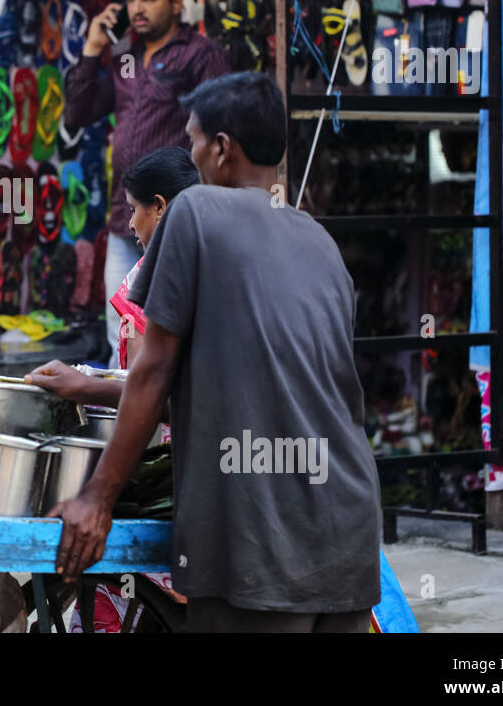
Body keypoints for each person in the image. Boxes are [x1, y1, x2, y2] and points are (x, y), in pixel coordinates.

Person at [48, 71, 382, 632]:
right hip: (347, 525)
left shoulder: (193, 211)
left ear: (222, 148)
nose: (192, 153)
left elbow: (154, 372)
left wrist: (97, 499)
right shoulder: (318, 239)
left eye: (194, 139)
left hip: (261, 535)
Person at [63, 0, 231, 362]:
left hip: (177, 219)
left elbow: (223, 133)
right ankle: (129, 418)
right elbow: (76, 114)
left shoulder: (201, 56)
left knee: (170, 330)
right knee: (120, 331)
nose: (137, 8)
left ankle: (168, 419)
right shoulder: (127, 58)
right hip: (127, 219)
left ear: (176, 3)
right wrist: (92, 49)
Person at [24, 145, 201, 406]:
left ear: (159, 207)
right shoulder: (214, 265)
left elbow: (144, 394)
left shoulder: (148, 278)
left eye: (133, 209)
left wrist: (86, 386)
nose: (130, 224)